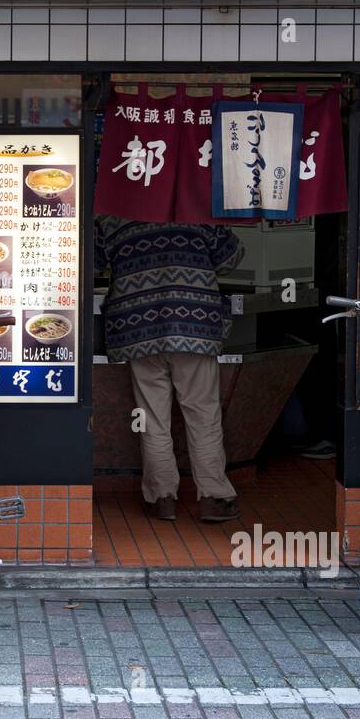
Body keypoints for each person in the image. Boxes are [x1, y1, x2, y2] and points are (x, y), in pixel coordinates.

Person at [96, 216, 243, 523]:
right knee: (203, 414)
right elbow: (232, 258)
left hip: (140, 327)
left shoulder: (113, 215)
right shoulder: (199, 213)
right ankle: (214, 497)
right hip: (194, 327)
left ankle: (161, 497)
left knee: (151, 418)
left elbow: (93, 262)